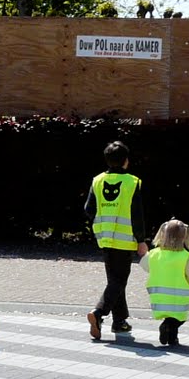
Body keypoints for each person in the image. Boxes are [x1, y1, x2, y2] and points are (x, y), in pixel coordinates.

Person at [84, 140, 148, 341]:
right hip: (125, 238)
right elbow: (137, 214)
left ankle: (119, 321)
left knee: (115, 280)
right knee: (119, 280)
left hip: (104, 237)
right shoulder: (132, 182)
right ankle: (98, 313)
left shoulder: (97, 180)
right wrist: (141, 240)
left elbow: (88, 209)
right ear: (126, 161)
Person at [146, 220, 189, 347]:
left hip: (158, 297)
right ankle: (168, 328)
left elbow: (145, 266)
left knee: (169, 316)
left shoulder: (153, 254)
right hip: (178, 298)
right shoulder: (187, 258)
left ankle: (172, 338)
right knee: (178, 317)